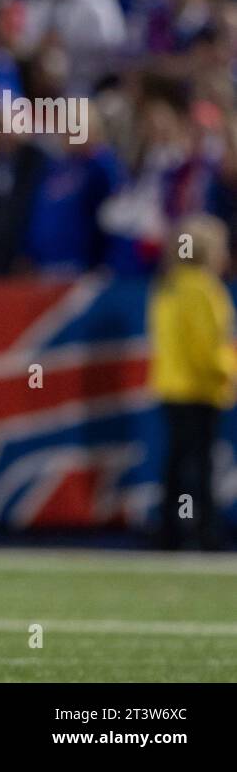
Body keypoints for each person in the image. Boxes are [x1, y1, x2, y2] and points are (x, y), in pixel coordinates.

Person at [148, 213, 237, 550]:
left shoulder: (167, 286)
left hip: (171, 386)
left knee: (176, 463)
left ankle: (171, 528)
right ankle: (205, 531)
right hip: (200, 388)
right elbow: (207, 348)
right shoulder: (203, 290)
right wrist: (229, 370)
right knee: (201, 466)